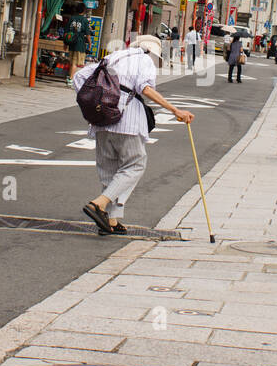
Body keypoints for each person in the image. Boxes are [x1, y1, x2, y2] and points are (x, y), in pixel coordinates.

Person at [75, 35, 195, 235]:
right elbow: (145, 88)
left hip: (102, 119)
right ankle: (99, 204)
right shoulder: (144, 60)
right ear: (151, 52)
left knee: (108, 170)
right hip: (127, 120)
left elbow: (80, 77)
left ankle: (111, 220)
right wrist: (176, 111)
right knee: (135, 164)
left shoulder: (113, 57)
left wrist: (93, 106)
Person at [64, 4, 91, 74]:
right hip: (79, 43)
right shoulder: (84, 20)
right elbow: (87, 34)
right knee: (75, 63)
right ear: (84, 11)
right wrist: (90, 43)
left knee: (72, 61)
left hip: (71, 43)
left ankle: (69, 77)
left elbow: (66, 32)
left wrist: (65, 43)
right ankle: (70, 79)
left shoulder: (71, 18)